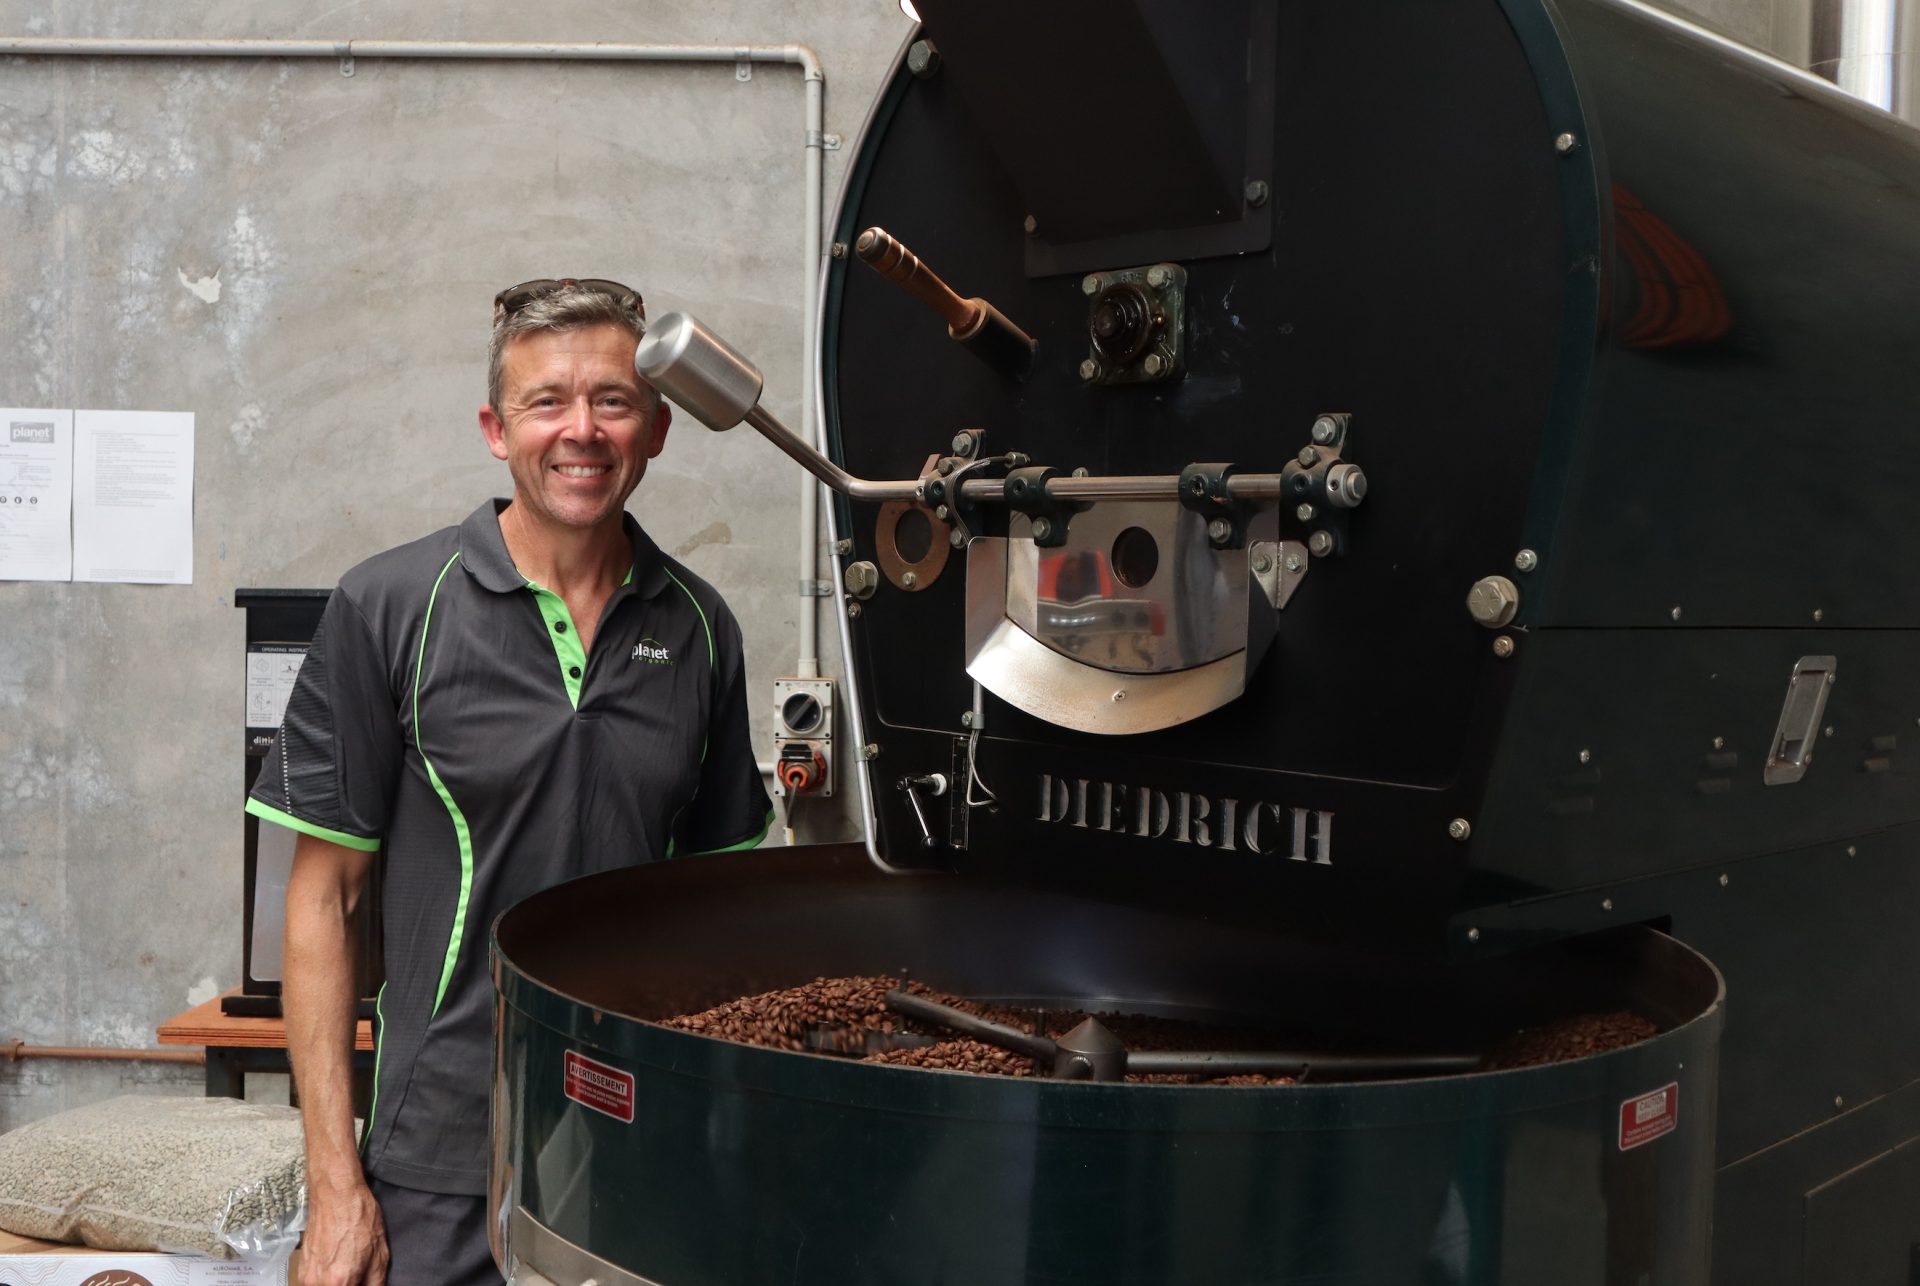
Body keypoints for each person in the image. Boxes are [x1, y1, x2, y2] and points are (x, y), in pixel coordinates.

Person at [245, 279, 773, 1285]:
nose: (583, 430)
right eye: (548, 402)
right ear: (497, 428)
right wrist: (336, 1185)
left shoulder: (701, 629)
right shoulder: (391, 605)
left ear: (658, 426)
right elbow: (327, 897)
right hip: (438, 1150)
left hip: (632, 1142)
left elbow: (722, 922)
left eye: (613, 400)